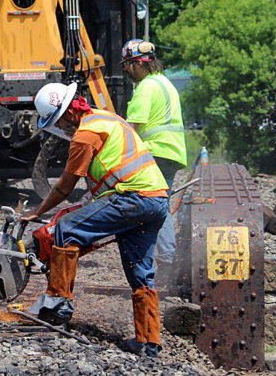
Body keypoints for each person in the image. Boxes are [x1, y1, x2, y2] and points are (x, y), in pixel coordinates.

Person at [22, 82, 169, 358]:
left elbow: (65, 186)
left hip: (132, 199)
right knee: (141, 272)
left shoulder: (85, 135)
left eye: (59, 123)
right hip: (156, 200)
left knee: (65, 229)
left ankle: (57, 306)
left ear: (68, 114)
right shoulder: (108, 118)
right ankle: (148, 343)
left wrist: (39, 212)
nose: (62, 130)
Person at [121, 39, 187, 268]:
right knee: (161, 204)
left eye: (127, 65)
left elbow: (133, 129)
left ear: (138, 63)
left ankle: (166, 258)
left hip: (155, 151)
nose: (127, 71)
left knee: (155, 205)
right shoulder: (166, 83)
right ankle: (164, 255)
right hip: (172, 152)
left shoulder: (146, 87)